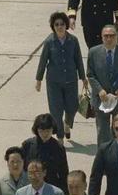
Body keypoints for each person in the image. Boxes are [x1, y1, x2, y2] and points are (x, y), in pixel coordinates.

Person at [35, 11, 87, 142]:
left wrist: (83, 78)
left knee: (72, 107)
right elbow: (43, 61)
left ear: (66, 25)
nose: (59, 27)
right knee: (56, 110)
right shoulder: (49, 42)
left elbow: (78, 59)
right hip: (54, 82)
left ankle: (67, 124)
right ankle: (60, 137)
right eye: (56, 24)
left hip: (71, 80)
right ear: (53, 26)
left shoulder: (73, 41)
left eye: (62, 24)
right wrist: (39, 79)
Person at [86, 25, 118, 146]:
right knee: (102, 132)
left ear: (117, 36)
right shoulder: (93, 52)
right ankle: (104, 157)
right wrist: (99, 90)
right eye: (106, 36)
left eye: (112, 36)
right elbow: (90, 74)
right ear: (102, 37)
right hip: (101, 99)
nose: (109, 39)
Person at [21, 114, 69, 194]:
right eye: (41, 131)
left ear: (52, 130)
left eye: (48, 131)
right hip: (30, 187)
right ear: (37, 130)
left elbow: (63, 172)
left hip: (51, 188)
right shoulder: (28, 145)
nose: (45, 134)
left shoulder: (58, 148)